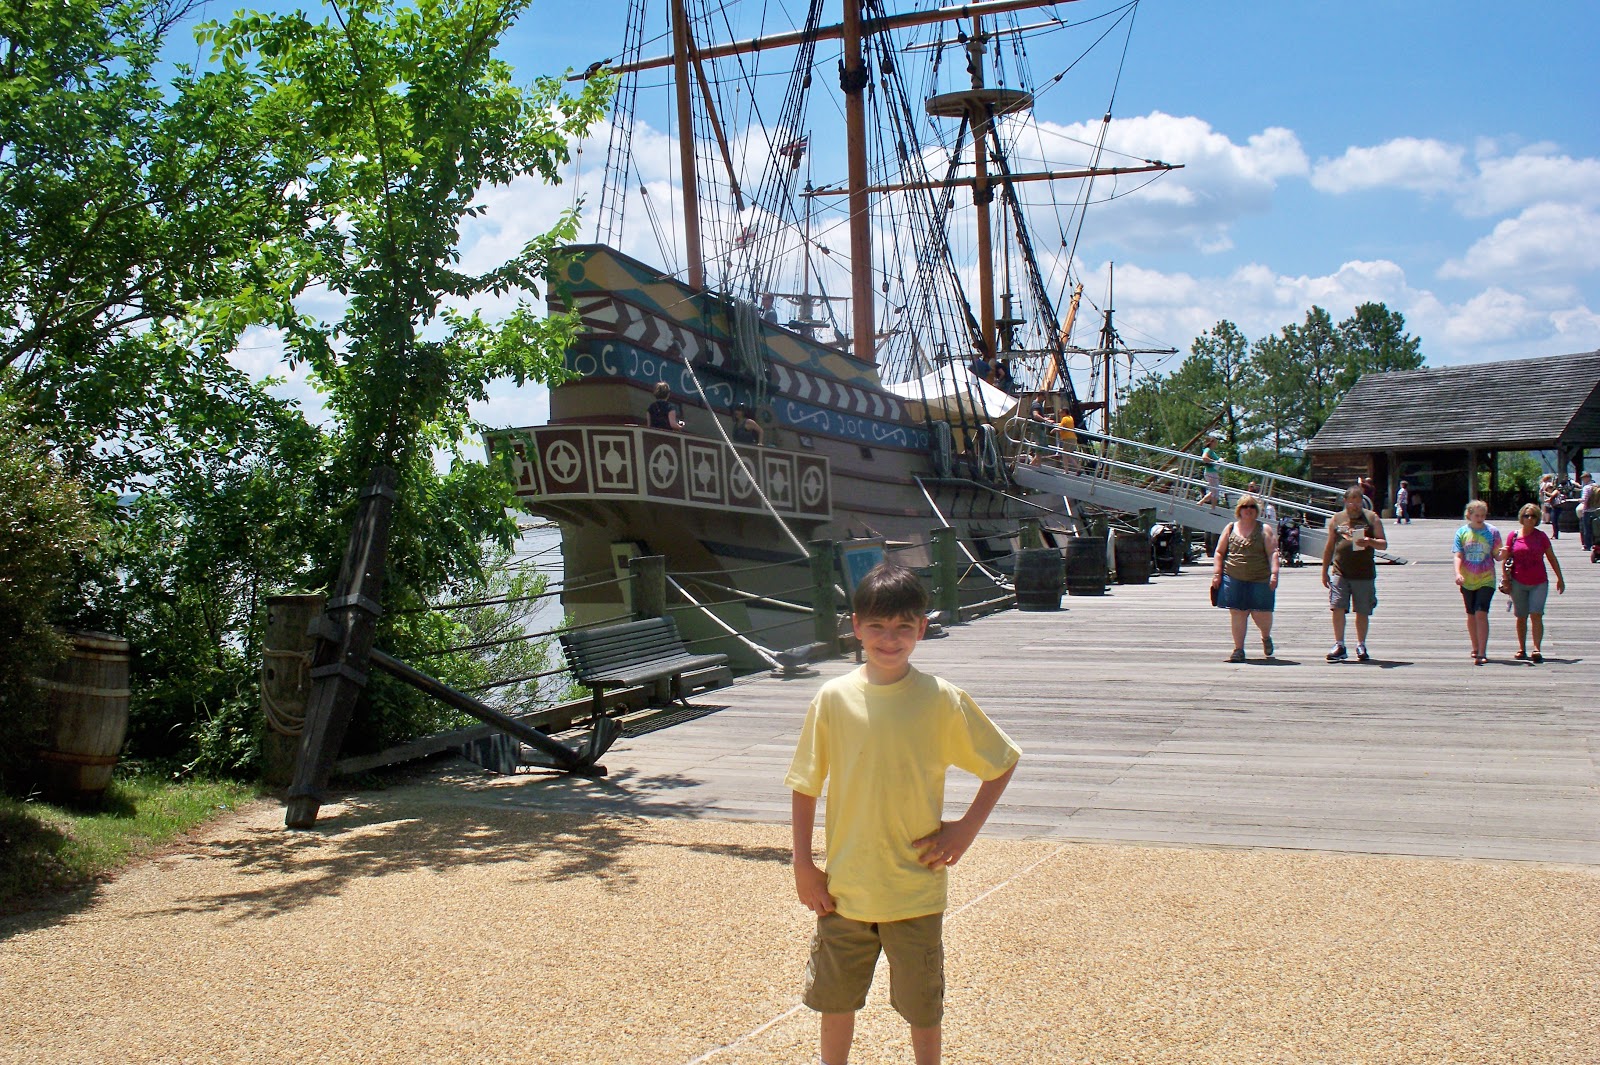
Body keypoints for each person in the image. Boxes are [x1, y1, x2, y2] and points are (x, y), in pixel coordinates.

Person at [787, 563, 1020, 1065]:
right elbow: (805, 785)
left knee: (922, 1007)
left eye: (902, 628)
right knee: (836, 1000)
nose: (889, 639)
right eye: (877, 627)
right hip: (844, 890)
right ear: (855, 626)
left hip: (916, 888)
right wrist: (804, 864)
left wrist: (965, 828)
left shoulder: (940, 699)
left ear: (921, 628)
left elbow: (1001, 761)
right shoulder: (832, 698)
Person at [1320, 484, 1387, 662]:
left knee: (1362, 610)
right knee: (1337, 606)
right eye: (1352, 503)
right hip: (1340, 571)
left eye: (1358, 503)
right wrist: (1324, 570)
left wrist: (1370, 541)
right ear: (1346, 502)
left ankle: (1361, 644)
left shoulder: (1372, 518)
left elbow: (1383, 544)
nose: (1355, 507)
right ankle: (1339, 645)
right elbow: (1329, 546)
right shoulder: (1337, 519)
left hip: (1364, 573)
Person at [1210, 494, 1281, 662]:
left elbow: (1273, 553)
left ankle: (1265, 636)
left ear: (1256, 511)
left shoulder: (1264, 529)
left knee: (1260, 614)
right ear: (1239, 510)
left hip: (1259, 578)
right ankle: (1238, 649)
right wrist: (1217, 574)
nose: (1248, 510)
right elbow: (1219, 553)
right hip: (1234, 577)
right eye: (1244, 507)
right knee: (1237, 613)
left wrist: (1274, 574)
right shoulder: (1230, 528)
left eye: (1251, 507)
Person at [1505, 502, 1565, 663]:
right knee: (1521, 615)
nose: (1529, 519)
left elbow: (1551, 558)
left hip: (1539, 581)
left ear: (1537, 518)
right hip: (1518, 581)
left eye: (1533, 516)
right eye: (1526, 515)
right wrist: (1505, 578)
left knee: (1536, 614)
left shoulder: (1541, 537)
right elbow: (1507, 559)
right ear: (1521, 518)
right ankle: (1521, 648)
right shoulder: (1514, 536)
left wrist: (1560, 578)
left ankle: (1536, 648)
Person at [1452, 499, 1502, 666]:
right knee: (1471, 614)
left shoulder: (1492, 532)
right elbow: (1458, 555)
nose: (1480, 518)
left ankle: (1482, 651)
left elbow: (1497, 555)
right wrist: (1458, 573)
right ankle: (1475, 646)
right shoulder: (1461, 532)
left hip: (1486, 577)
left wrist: (1505, 553)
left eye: (1483, 515)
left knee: (1481, 613)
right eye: (1477, 515)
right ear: (1469, 515)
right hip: (1467, 578)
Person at [1198, 438, 1223, 506]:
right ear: (1211, 443)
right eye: (1215, 443)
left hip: (1212, 472)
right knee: (1215, 491)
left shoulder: (1212, 452)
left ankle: (1201, 502)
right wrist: (1215, 462)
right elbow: (1204, 458)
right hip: (1210, 472)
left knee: (1214, 491)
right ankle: (1213, 508)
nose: (1216, 444)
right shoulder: (1208, 450)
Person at [1575, 472, 1597, 552]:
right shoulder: (1597, 486)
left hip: (1587, 510)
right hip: (1597, 510)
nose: (1583, 480)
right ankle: (1596, 544)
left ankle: (1587, 545)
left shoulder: (1587, 487)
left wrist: (1579, 500)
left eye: (1583, 479)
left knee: (1587, 529)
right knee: (1596, 528)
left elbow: (1584, 499)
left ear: (1587, 478)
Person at [1538, 474, 1562, 539]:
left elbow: (1552, 495)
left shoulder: (1556, 491)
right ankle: (1554, 534)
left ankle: (1555, 535)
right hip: (1554, 507)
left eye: (1551, 487)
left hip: (1557, 507)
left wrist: (1545, 492)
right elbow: (1551, 498)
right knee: (1554, 521)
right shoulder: (1555, 491)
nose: (1550, 489)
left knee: (1554, 521)